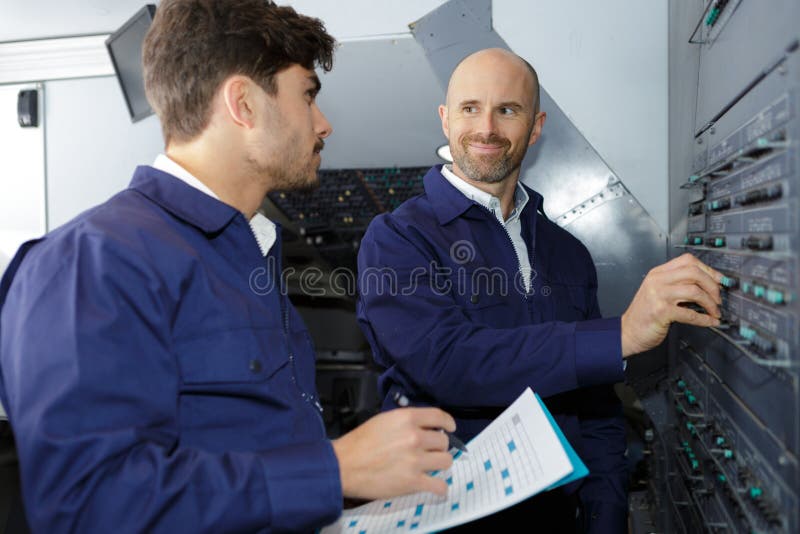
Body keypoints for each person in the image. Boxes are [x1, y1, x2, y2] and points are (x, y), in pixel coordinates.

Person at [0, 1, 457, 532]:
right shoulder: (89, 262)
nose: (324, 123)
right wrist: (335, 469)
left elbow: (244, 453)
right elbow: (91, 505)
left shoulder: (245, 255)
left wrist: (356, 485)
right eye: (308, 95)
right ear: (243, 102)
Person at [356, 48, 723, 532]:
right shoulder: (398, 238)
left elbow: (596, 408)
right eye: (470, 108)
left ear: (536, 125)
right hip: (442, 514)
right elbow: (447, 363)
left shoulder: (567, 253)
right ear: (445, 120)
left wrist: (605, 516)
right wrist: (619, 337)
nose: (486, 127)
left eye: (507, 110)